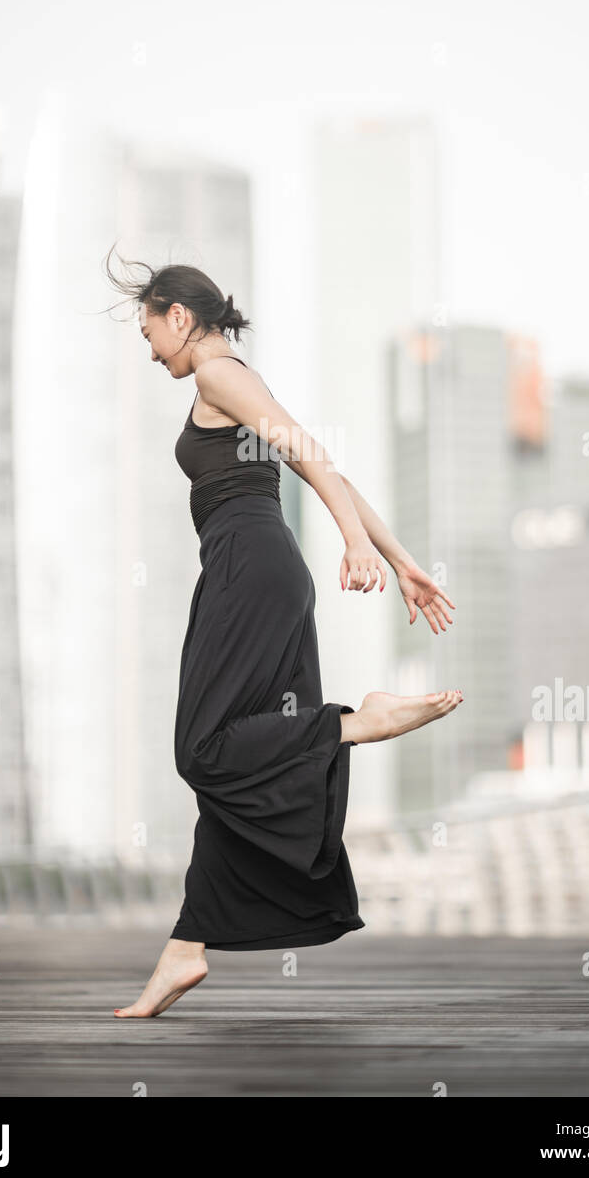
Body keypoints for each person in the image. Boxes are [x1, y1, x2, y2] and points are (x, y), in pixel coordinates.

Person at [103, 254, 462, 1017]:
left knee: (202, 749)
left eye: (149, 331)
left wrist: (357, 547)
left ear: (178, 315)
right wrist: (401, 562)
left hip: (247, 571)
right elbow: (325, 469)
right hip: (263, 573)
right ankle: (184, 949)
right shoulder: (237, 380)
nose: (149, 348)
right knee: (243, 757)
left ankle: (357, 723)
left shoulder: (218, 375)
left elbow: (311, 455)